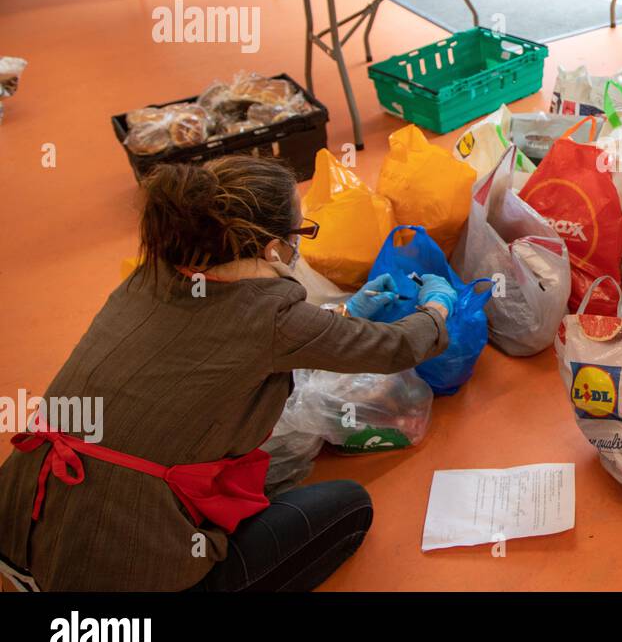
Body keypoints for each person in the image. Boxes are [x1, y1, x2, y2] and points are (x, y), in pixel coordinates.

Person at [0, 156, 457, 592]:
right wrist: (438, 307)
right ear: (275, 245)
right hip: (124, 574)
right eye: (301, 231)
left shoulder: (148, 277)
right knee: (348, 507)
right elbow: (396, 346)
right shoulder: (270, 313)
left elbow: (225, 352)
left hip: (16, 522)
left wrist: (343, 313)